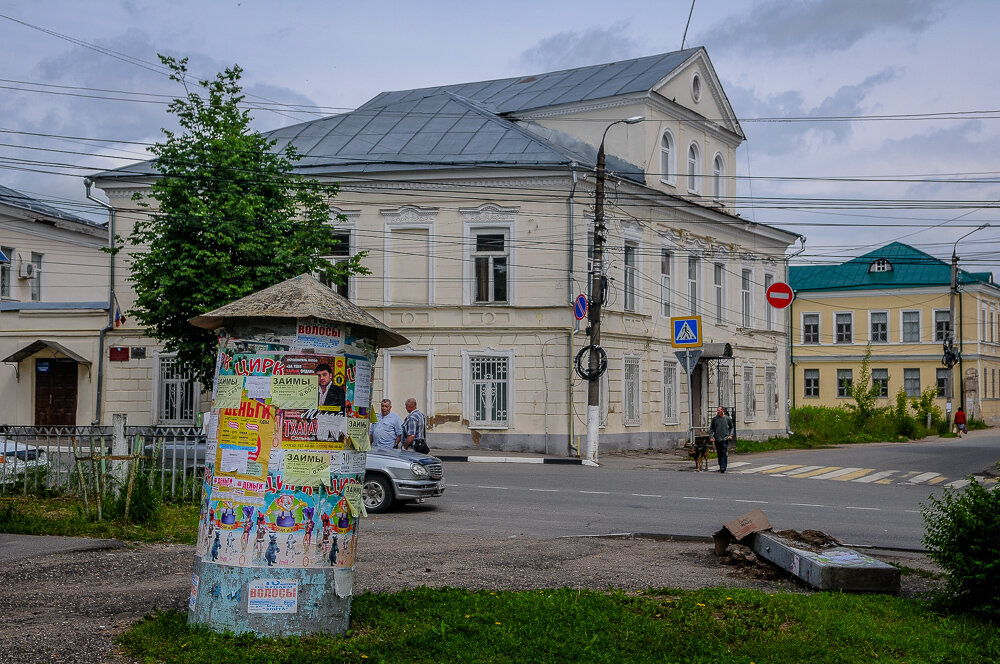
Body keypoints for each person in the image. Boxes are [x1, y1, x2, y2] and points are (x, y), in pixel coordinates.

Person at [708, 406, 734, 473]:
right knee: (719, 453)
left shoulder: (727, 419)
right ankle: (720, 465)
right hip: (717, 438)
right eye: (717, 410)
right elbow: (711, 429)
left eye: (719, 410)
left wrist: (730, 435)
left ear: (723, 411)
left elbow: (731, 427)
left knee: (723, 452)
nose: (718, 411)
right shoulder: (715, 419)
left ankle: (723, 467)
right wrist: (711, 437)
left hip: (725, 438)